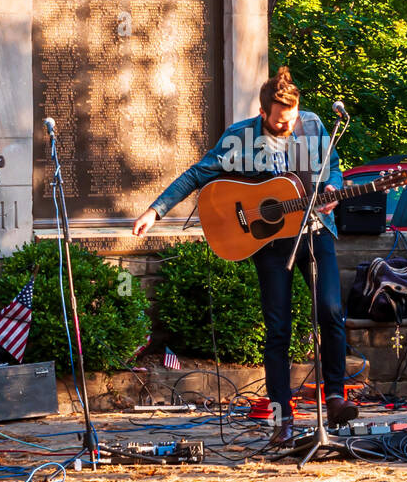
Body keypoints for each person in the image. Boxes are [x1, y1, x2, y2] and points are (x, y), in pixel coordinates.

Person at [132, 67, 355, 447]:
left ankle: (334, 396)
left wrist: (333, 186)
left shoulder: (314, 126)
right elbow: (197, 174)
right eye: (280, 121)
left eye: (292, 118)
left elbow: (332, 168)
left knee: (331, 310)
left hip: (315, 231)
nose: (288, 126)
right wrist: (156, 211)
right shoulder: (241, 137)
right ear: (264, 112)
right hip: (268, 242)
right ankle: (282, 418)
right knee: (278, 328)